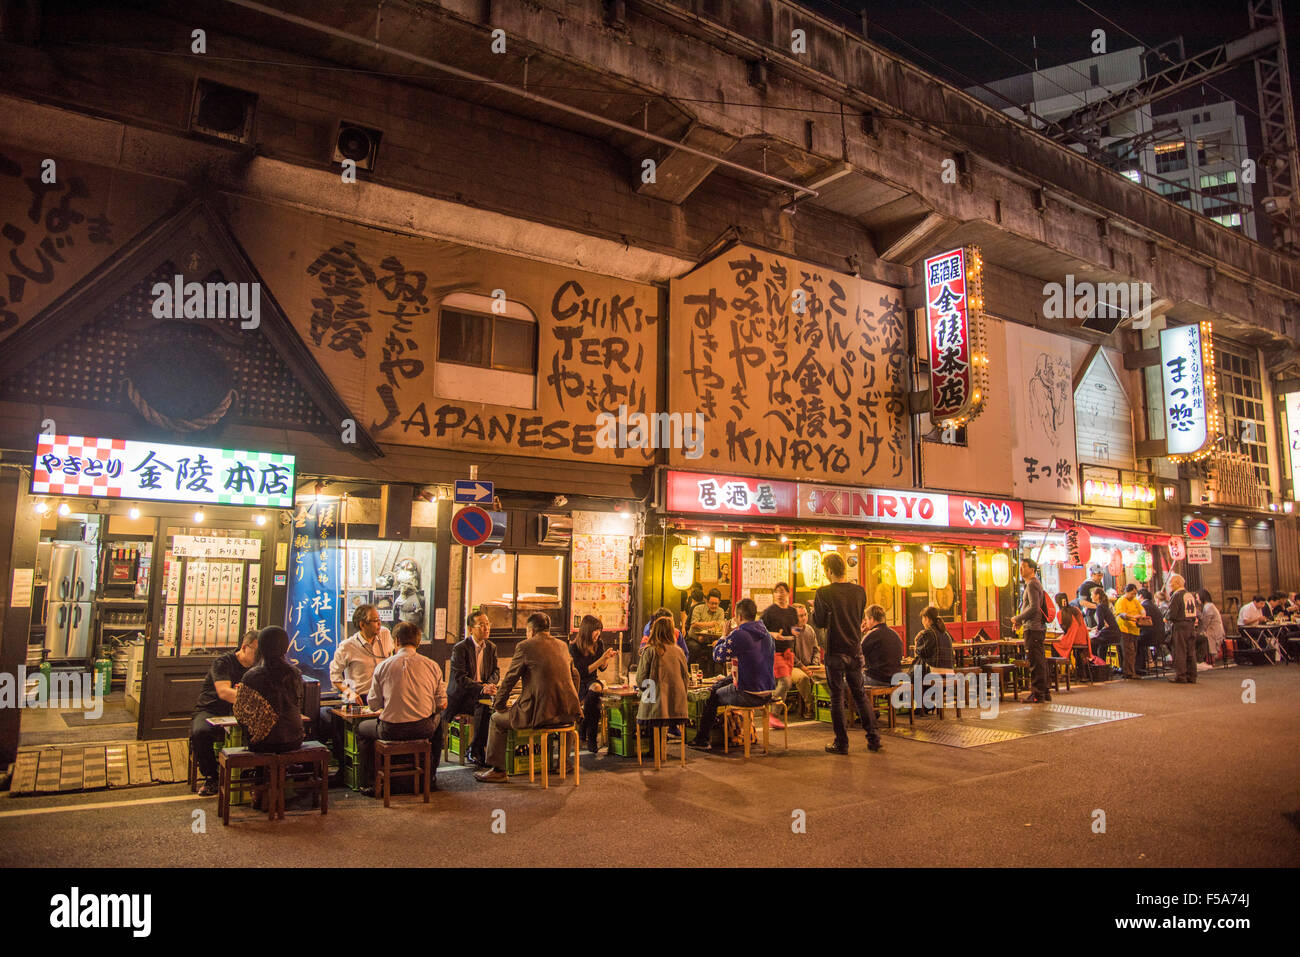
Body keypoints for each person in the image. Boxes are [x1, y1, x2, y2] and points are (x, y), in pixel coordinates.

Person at [475, 613, 582, 783]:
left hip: (538, 714)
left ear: (531, 631)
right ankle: (563, 762)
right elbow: (575, 675)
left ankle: (498, 770)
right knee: (565, 720)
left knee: (496, 719)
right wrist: (572, 698)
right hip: (567, 713)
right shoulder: (563, 645)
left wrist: (500, 704)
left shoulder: (525, 646)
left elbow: (510, 678)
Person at [356, 621, 447, 790]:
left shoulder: (383, 666)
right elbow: (441, 704)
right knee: (438, 723)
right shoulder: (432, 666)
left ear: (396, 641)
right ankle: (430, 777)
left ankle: (369, 783)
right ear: (418, 642)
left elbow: (374, 705)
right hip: (422, 728)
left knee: (362, 729)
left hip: (390, 730)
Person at [811, 552, 882, 754]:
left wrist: (813, 611)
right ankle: (874, 739)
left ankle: (841, 743)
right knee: (860, 695)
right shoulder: (860, 591)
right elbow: (859, 618)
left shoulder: (824, 593)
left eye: (825, 570)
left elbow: (820, 622)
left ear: (829, 570)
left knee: (837, 697)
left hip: (835, 651)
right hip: (854, 649)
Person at [688, 598, 775, 751]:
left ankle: (703, 738)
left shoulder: (741, 634)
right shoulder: (766, 633)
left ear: (739, 616)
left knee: (713, 695)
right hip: (767, 691)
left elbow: (717, 656)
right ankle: (712, 735)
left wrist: (723, 636)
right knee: (719, 684)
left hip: (747, 692)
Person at [319, 604, 395, 770]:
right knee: (340, 725)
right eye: (374, 621)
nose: (379, 624)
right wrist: (349, 692)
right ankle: (349, 767)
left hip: (385, 695)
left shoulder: (385, 635)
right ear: (362, 624)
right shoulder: (347, 646)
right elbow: (335, 676)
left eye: (379, 620)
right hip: (361, 696)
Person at [191, 629, 258, 797]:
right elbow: (225, 692)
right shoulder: (223, 662)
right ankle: (211, 776)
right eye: (257, 652)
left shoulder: (259, 668)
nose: (259, 656)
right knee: (200, 732)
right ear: (244, 647)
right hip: (212, 709)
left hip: (242, 712)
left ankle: (255, 773)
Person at [234, 626, 304, 755]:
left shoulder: (251, 676)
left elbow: (240, 713)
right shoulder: (295, 673)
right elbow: (298, 704)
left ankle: (260, 772)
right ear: (286, 647)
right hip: (294, 739)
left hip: (263, 743)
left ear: (260, 647)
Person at [445, 608, 500, 767]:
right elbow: (459, 678)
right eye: (481, 625)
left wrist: (490, 684)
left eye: (488, 624)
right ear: (470, 629)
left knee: (491, 706)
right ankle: (476, 749)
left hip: (482, 694)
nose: (486, 628)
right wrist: (481, 688)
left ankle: (477, 748)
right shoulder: (460, 648)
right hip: (462, 696)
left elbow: (496, 671)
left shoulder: (491, 647)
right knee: (484, 706)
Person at [636, 616, 690, 741]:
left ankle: (654, 751)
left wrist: (645, 690)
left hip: (655, 705)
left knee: (649, 708)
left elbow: (641, 679)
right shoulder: (679, 651)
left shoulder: (650, 650)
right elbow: (685, 678)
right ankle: (662, 750)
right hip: (677, 704)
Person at [570, 615, 617, 753]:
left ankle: (586, 730)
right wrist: (602, 658)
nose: (598, 633)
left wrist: (607, 658)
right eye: (596, 629)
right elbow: (581, 672)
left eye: (600, 630)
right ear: (587, 630)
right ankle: (590, 737)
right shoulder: (573, 647)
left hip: (592, 681)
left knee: (596, 690)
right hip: (578, 683)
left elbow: (602, 668)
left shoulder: (599, 644)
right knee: (594, 700)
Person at [1011, 557, 1050, 703]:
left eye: (1023, 567)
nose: (1021, 569)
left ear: (1032, 569)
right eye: (1020, 567)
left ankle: (1037, 693)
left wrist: (1018, 618)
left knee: (1035, 661)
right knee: (1040, 660)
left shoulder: (1032, 584)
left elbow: (1034, 607)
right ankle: (1044, 692)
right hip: (1035, 627)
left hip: (1033, 628)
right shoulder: (1033, 584)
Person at [761, 583, 800, 729]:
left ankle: (772, 716)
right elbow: (760, 630)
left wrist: (796, 631)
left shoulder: (792, 611)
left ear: (788, 594)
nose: (779, 594)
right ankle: (773, 713)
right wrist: (773, 634)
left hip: (787, 652)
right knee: (785, 682)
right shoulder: (769, 612)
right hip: (773, 651)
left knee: (782, 684)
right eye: (776, 592)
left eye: (782, 591)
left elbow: (795, 628)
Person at [1166, 574, 1199, 684]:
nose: (1170, 585)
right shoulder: (1190, 595)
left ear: (1176, 583)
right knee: (1191, 652)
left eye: (1171, 583)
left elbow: (1172, 614)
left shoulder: (1177, 595)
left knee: (1180, 651)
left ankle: (1181, 676)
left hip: (1180, 627)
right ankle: (1192, 675)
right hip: (1191, 626)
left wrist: (1166, 618)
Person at [687, 588, 727, 677]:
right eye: (712, 603)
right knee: (695, 647)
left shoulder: (720, 611)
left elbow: (720, 626)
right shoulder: (698, 608)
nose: (714, 606)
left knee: (718, 648)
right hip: (694, 639)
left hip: (710, 639)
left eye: (716, 603)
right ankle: (689, 672)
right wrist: (711, 624)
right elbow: (694, 624)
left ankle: (714, 676)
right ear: (707, 602)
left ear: (719, 602)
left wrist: (706, 628)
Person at [790, 602, 821, 718]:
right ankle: (810, 707)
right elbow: (790, 655)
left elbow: (816, 649)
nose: (804, 618)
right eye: (800, 616)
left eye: (805, 615)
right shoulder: (792, 631)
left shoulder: (810, 629)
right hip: (792, 667)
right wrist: (804, 668)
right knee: (803, 678)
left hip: (809, 665)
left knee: (827, 674)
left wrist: (815, 664)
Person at [861, 605, 902, 687]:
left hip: (877, 679)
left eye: (866, 619)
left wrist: (861, 633)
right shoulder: (895, 634)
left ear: (871, 619)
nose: (865, 622)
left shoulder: (873, 634)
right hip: (894, 679)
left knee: (846, 681)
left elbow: (857, 652)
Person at [1053, 593, 1090, 679]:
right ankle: (1082, 675)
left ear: (1057, 603)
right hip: (1083, 639)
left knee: (1055, 645)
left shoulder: (1060, 613)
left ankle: (1060, 672)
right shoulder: (1076, 609)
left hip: (1073, 639)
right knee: (1078, 652)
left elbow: (1065, 629)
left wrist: (1062, 636)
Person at [1114, 583, 1144, 679]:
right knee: (1128, 652)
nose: (1133, 596)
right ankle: (1129, 673)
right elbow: (1121, 614)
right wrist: (1133, 617)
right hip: (1124, 629)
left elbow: (1142, 610)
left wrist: (1143, 615)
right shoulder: (1121, 601)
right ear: (1126, 592)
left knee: (1133, 652)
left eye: (1135, 594)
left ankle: (1131, 671)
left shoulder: (1135, 600)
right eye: (1132, 593)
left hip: (1135, 629)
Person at [1137, 588, 1166, 675]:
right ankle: (1144, 665)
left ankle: (1139, 668)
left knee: (1134, 641)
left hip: (1150, 637)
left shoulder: (1143, 607)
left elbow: (1142, 623)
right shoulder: (1154, 606)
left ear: (1140, 596)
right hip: (1161, 636)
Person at [1091, 588, 1122, 664]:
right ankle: (1103, 665)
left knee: (1091, 643)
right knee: (1102, 647)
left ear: (1097, 596)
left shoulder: (1100, 607)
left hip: (1110, 634)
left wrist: (1096, 630)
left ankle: (1096, 664)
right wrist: (1095, 628)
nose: (1091, 597)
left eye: (1092, 595)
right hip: (1115, 633)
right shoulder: (1104, 606)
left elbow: (1101, 623)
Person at [1197, 589, 1226, 664]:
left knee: (1198, 637)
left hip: (1214, 631)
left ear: (1201, 597)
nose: (1196, 599)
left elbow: (1205, 623)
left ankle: (1202, 659)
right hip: (1213, 629)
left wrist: (1197, 613)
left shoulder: (1208, 607)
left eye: (1197, 597)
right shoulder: (1209, 606)